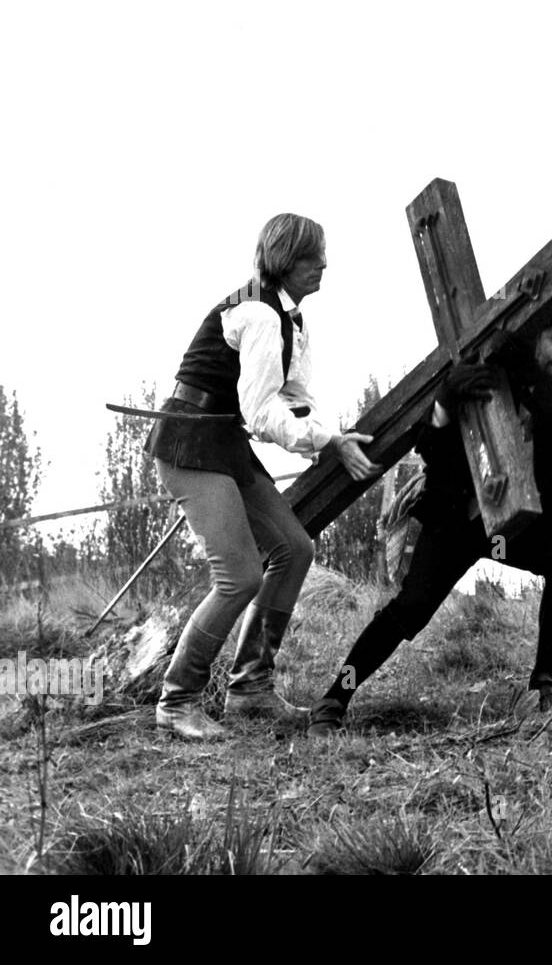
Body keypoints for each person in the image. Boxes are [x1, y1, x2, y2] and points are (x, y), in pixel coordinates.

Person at [307, 304, 552, 736]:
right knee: (409, 611)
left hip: (522, 525)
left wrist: (524, 368)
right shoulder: (487, 360)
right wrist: (445, 404)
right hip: (459, 518)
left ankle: (542, 682)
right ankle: (335, 697)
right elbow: (429, 449)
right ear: (536, 336)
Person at [147, 213, 382, 741]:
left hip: (225, 444)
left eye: (321, 254)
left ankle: (251, 686)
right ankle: (177, 699)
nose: (323, 264)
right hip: (191, 443)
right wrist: (323, 443)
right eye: (310, 256)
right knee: (239, 576)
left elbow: (295, 400)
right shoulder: (256, 313)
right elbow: (261, 412)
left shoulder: (292, 321)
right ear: (282, 259)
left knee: (294, 548)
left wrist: (332, 436)